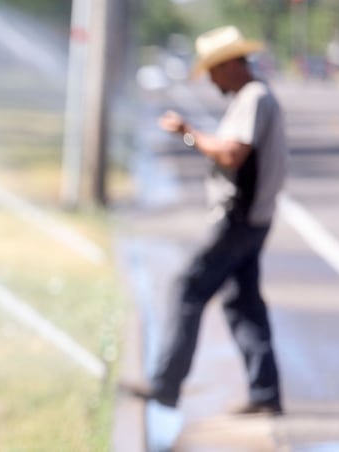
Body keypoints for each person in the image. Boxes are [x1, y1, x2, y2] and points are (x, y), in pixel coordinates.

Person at [122, 25, 288, 414]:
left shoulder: (254, 97)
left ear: (231, 64)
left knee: (187, 287)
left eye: (214, 69)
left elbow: (232, 154)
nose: (212, 79)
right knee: (243, 304)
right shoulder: (255, 96)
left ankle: (166, 385)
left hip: (239, 219)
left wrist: (189, 134)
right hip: (254, 219)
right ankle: (266, 394)